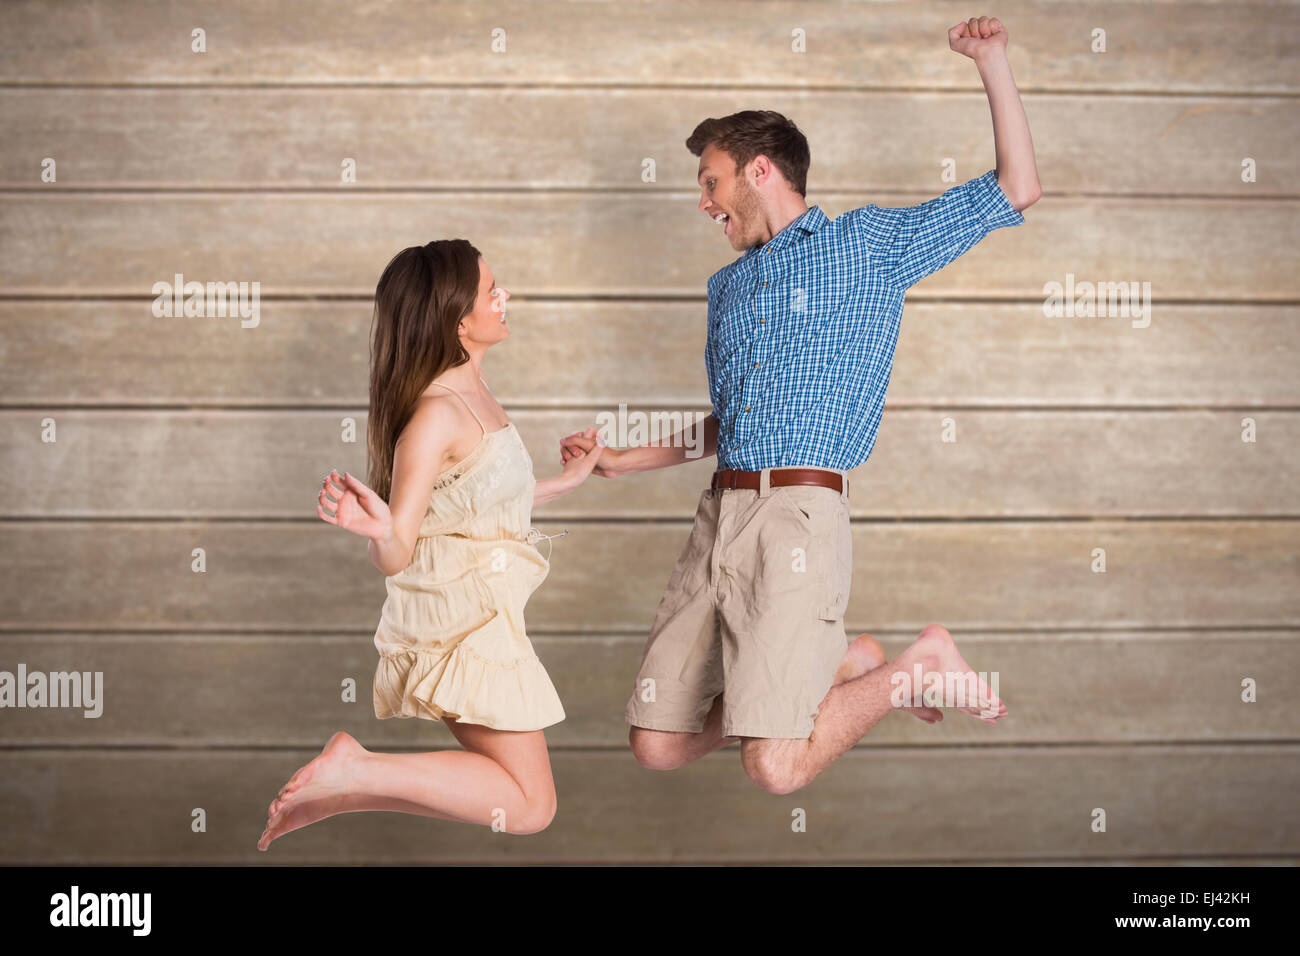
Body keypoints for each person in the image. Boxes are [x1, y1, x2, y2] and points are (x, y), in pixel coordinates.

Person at [560, 17, 1039, 795]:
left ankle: (913, 668)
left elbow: (1018, 187)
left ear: (758, 172)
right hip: (721, 518)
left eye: (710, 181)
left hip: (799, 521)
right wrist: (623, 456)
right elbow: (729, 424)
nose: (702, 201)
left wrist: (992, 61)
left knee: (775, 767)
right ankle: (850, 668)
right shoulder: (728, 288)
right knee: (655, 740)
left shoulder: (865, 247)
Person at [259, 239, 604, 850]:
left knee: (530, 803)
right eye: (489, 289)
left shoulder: (477, 393)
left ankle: (343, 788)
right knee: (530, 806)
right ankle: (354, 769)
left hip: (487, 614)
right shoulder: (436, 415)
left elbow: (481, 504)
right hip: (462, 625)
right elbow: (397, 549)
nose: (504, 297)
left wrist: (570, 479)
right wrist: (379, 530)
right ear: (457, 321)